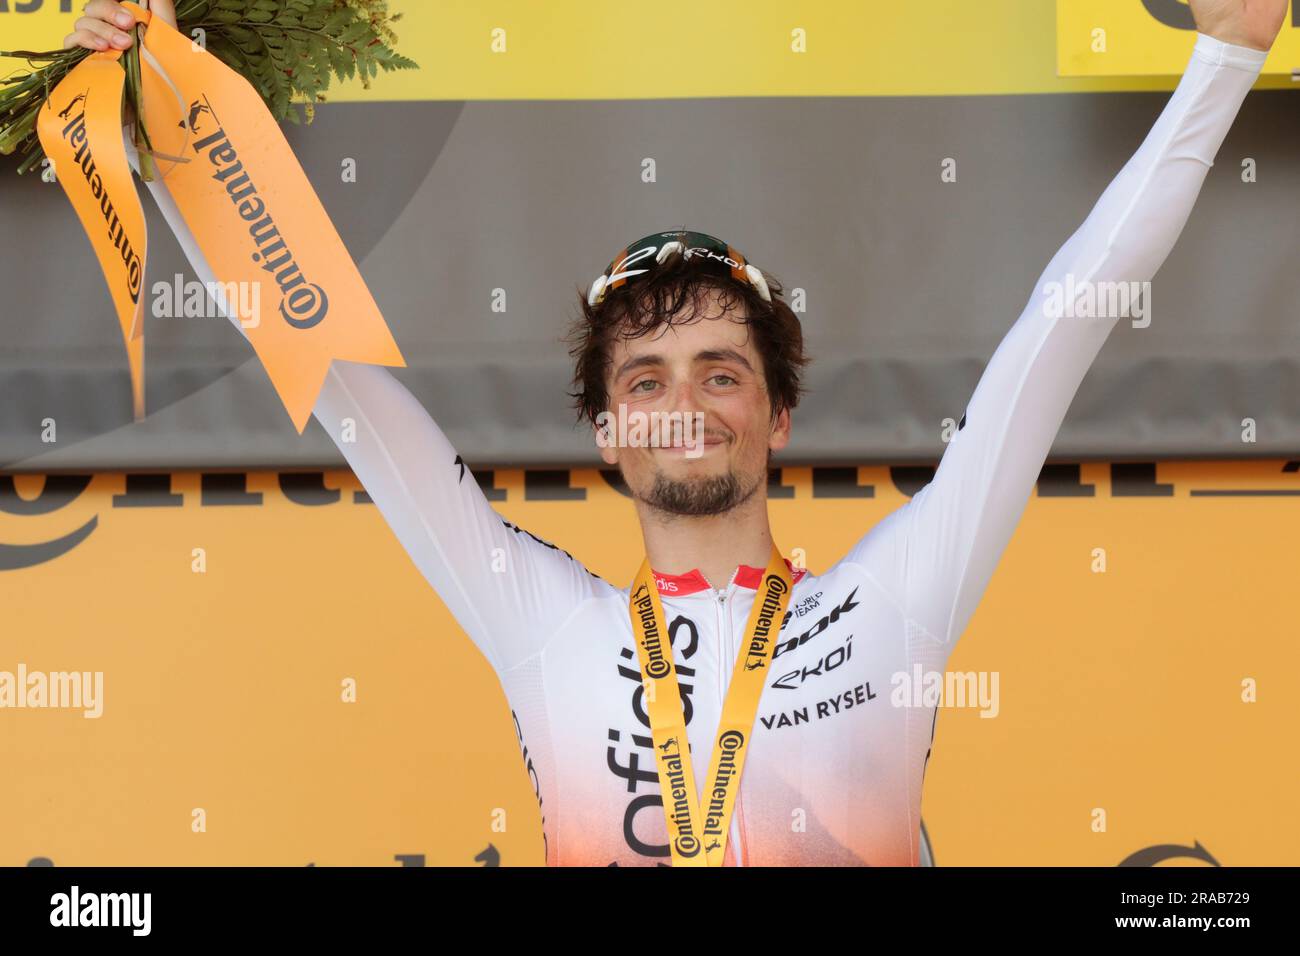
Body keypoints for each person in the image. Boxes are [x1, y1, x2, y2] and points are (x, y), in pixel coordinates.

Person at [67, 0, 1287, 866]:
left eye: (720, 368)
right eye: (644, 375)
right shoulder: (543, 622)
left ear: (777, 415)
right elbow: (336, 385)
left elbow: (1057, 328)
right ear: (605, 431)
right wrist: (165, 120)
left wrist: (1223, 63)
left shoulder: (892, 605)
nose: (684, 399)